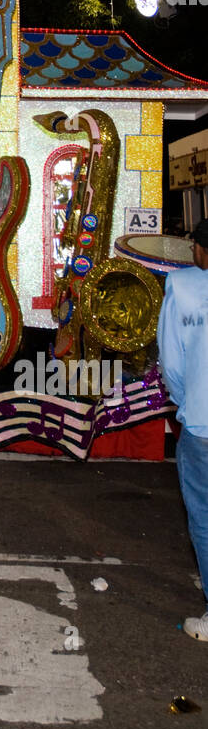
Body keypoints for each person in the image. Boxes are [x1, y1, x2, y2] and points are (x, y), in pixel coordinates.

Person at [157, 217, 208, 641]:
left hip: (203, 422)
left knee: (206, 520)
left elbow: (171, 360)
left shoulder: (184, 286)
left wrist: (183, 400)